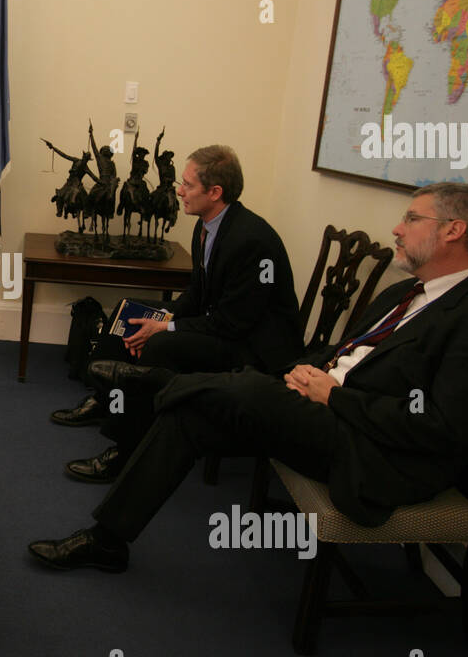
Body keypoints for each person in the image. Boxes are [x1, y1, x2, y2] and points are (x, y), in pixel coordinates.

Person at [28, 182, 468, 572]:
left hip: (380, 454)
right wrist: (305, 373)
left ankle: (157, 384)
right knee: (194, 415)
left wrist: (332, 396)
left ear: (453, 230)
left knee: (244, 385)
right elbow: (343, 351)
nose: (398, 229)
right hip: (325, 410)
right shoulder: (406, 293)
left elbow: (441, 428)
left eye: (411, 218)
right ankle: (108, 541)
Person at [52, 145, 303, 484]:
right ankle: (105, 401)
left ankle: (123, 453)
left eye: (187, 185)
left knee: (159, 347)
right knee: (129, 312)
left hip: (254, 348)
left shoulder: (252, 241)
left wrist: (166, 327)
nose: (178, 191)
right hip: (225, 325)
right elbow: (198, 295)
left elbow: (233, 324)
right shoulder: (207, 226)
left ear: (215, 192)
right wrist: (159, 318)